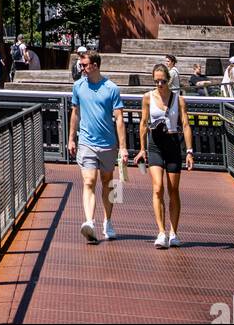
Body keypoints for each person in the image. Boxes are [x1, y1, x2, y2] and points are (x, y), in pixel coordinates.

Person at [68, 50, 128, 244]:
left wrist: (123, 147)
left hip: (108, 143)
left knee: (109, 182)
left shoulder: (112, 88)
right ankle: (89, 222)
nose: (82, 68)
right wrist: (71, 139)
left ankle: (108, 221)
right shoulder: (78, 86)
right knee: (89, 181)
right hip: (86, 141)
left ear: (95, 65)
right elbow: (75, 113)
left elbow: (119, 118)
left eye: (84, 65)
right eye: (81, 65)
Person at [134, 62, 194, 248]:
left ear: (169, 80)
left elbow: (185, 125)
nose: (159, 84)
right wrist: (142, 148)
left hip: (173, 144)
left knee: (173, 190)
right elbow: (143, 123)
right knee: (158, 188)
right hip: (155, 145)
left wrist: (189, 152)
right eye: (156, 81)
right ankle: (161, 232)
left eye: (163, 81)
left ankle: (173, 232)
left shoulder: (179, 99)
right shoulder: (147, 98)